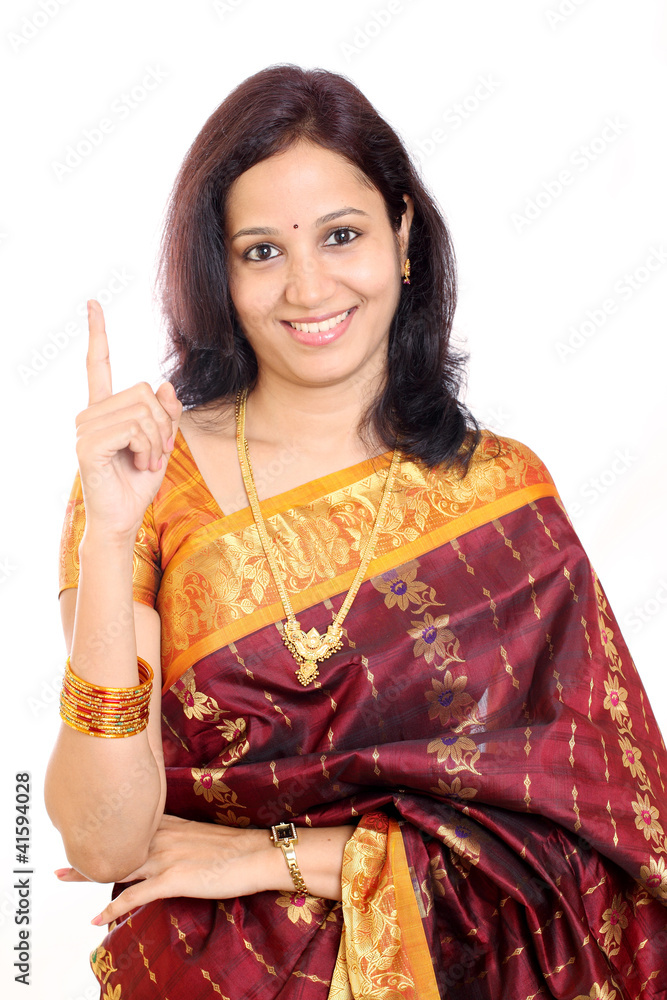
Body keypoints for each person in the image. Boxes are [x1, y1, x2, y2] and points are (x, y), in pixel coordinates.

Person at [46, 63, 667, 999]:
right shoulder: (149, 481)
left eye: (341, 235)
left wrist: (276, 857)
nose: (307, 287)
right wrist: (106, 537)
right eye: (261, 251)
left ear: (402, 234)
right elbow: (103, 843)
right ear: (219, 270)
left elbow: (606, 827)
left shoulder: (498, 493)